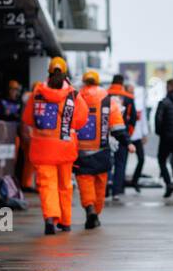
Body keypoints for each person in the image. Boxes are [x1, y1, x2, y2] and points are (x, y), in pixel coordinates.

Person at [21, 57, 89, 235]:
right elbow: (81, 119)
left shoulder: (37, 93)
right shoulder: (73, 95)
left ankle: (50, 219)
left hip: (42, 148)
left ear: (49, 73)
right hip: (65, 148)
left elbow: (28, 118)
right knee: (65, 185)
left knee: (46, 184)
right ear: (65, 73)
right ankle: (66, 222)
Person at [74, 70, 113, 228]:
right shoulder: (106, 98)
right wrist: (126, 141)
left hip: (80, 150)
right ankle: (96, 212)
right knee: (100, 183)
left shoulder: (76, 96)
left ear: (84, 81)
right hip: (101, 149)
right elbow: (116, 122)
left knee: (85, 181)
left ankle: (89, 207)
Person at [106, 74, 138, 200]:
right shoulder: (128, 98)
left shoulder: (104, 95)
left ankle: (106, 188)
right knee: (120, 163)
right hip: (122, 134)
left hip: (106, 134)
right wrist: (128, 135)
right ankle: (116, 191)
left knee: (106, 163)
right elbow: (134, 118)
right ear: (122, 83)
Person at [128, 83, 150, 189]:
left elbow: (143, 120)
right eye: (130, 91)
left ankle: (135, 180)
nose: (132, 93)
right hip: (126, 136)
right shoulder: (124, 101)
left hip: (137, 136)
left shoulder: (139, 104)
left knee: (141, 159)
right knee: (123, 161)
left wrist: (144, 134)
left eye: (133, 91)